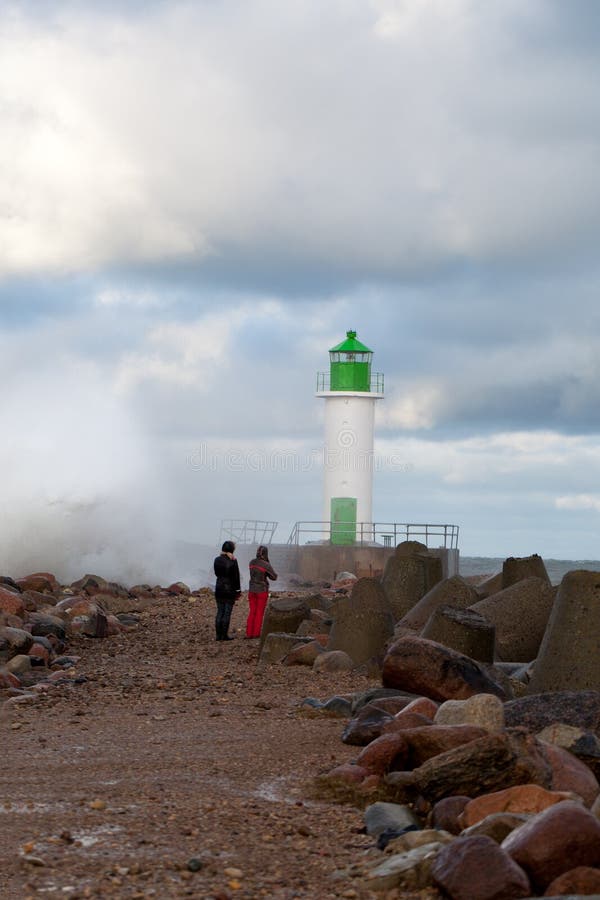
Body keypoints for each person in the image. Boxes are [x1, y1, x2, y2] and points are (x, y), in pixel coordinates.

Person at [246, 545, 277, 638]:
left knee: (252, 611)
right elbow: (274, 577)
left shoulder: (251, 562)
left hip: (251, 589)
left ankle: (249, 633)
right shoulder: (266, 564)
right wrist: (268, 565)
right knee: (259, 612)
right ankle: (256, 633)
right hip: (261, 590)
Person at [213, 540, 241, 641]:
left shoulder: (217, 559)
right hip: (230, 589)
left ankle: (218, 635)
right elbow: (236, 577)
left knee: (220, 611)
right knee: (227, 613)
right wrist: (238, 590)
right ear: (232, 549)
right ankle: (224, 635)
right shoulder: (233, 560)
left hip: (219, 587)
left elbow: (216, 573)